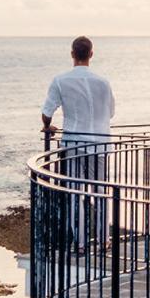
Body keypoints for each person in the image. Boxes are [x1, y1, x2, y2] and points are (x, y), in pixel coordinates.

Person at [41, 36, 116, 251]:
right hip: (100, 144)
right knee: (101, 192)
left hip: (74, 144)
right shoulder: (103, 82)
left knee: (75, 193)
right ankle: (104, 239)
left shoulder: (60, 80)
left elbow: (47, 112)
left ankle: (81, 243)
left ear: (72, 54)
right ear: (91, 54)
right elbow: (110, 112)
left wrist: (48, 126)